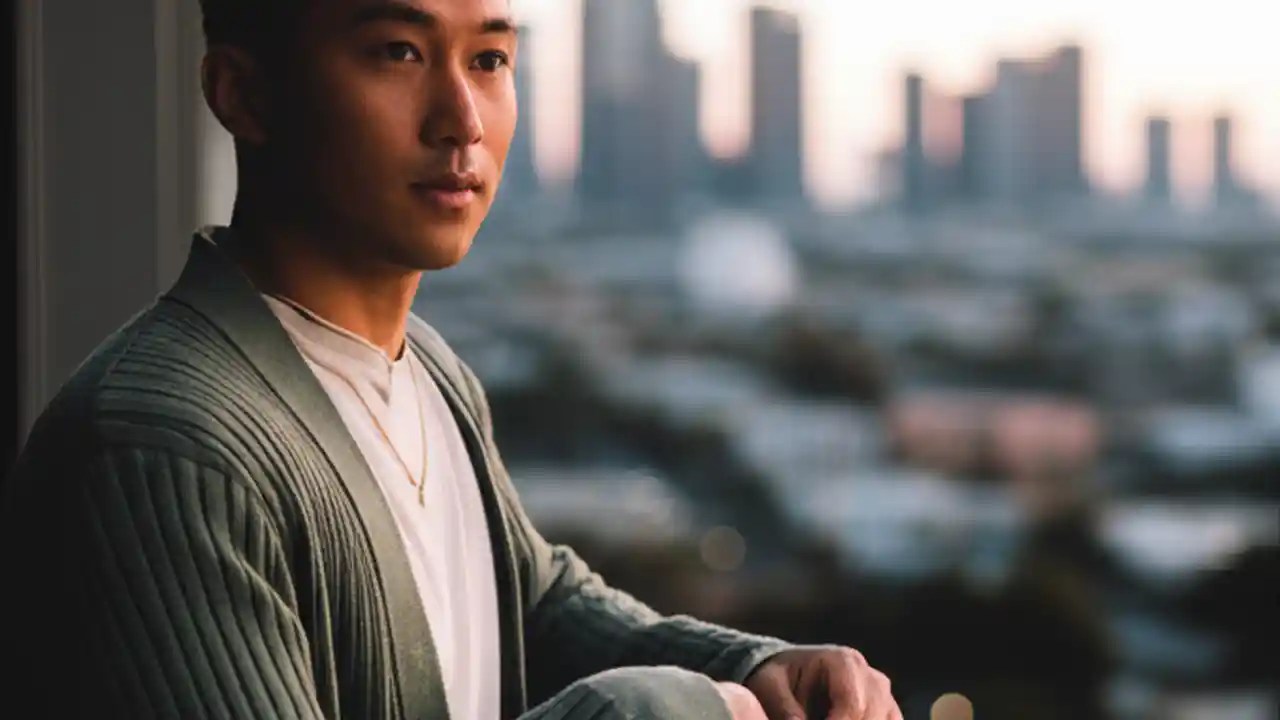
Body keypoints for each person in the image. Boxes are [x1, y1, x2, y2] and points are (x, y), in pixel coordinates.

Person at [0, 1, 901, 718]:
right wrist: (656, 711)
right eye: (398, 51)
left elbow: (532, 604)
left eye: (490, 60)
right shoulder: (162, 447)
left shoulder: (426, 369)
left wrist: (758, 665)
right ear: (245, 93)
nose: (461, 120)